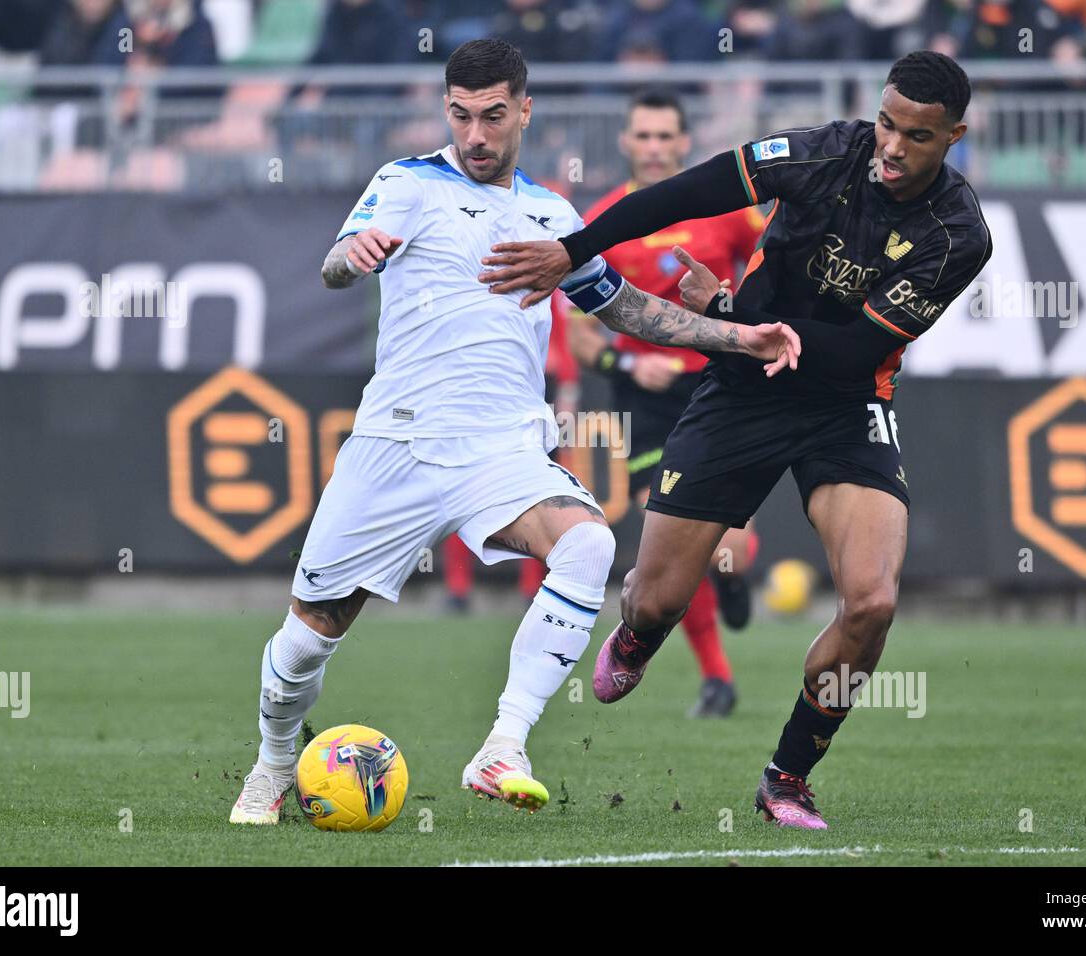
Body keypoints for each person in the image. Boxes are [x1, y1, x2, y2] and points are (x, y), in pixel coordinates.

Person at [230, 38, 799, 824]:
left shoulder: (552, 217)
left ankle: (503, 744)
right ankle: (271, 764)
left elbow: (625, 307)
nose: (475, 135)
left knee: (591, 543)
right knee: (308, 638)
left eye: (493, 116)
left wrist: (739, 336)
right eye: (460, 116)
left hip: (501, 448)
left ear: (524, 111)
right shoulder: (405, 183)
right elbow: (334, 264)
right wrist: (350, 256)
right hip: (396, 443)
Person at [477, 51, 993, 829]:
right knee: (657, 599)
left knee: (873, 602)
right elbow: (689, 191)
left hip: (846, 404)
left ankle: (787, 776)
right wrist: (575, 252)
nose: (890, 147)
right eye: (886, 123)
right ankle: (642, 633)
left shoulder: (959, 234)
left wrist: (726, 311)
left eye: (914, 136)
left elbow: (855, 350)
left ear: (953, 136)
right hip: (740, 389)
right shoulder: (826, 151)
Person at [566, 87, 764, 717]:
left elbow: (768, 260)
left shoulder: (725, 209)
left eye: (664, 137)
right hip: (645, 401)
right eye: (642, 136)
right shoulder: (603, 220)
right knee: (675, 540)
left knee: (732, 547)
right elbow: (577, 330)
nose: (653, 148)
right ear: (627, 142)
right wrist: (626, 360)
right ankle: (717, 679)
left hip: (721, 387)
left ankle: (734, 579)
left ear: (683, 142)